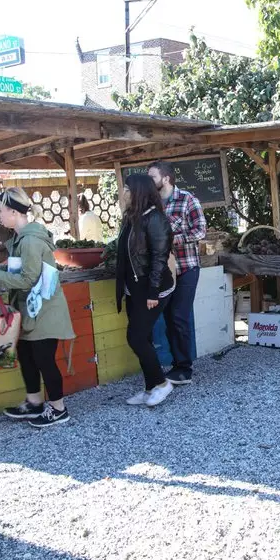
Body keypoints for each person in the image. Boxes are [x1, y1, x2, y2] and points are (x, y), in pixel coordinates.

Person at [0, 187, 76, 428]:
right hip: (32, 311)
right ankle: (34, 403)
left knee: (44, 359)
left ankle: (58, 409)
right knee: (27, 356)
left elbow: (27, 280)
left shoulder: (30, 240)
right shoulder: (22, 238)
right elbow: (17, 269)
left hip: (44, 312)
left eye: (0, 211)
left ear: (14, 212)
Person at [115, 173, 178, 407]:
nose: (124, 193)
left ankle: (162, 384)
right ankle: (150, 386)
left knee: (136, 337)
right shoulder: (132, 218)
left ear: (139, 192)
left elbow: (159, 259)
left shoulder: (155, 219)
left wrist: (152, 292)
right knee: (143, 338)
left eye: (127, 189)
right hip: (135, 289)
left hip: (153, 288)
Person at [147, 161, 206, 385]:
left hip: (186, 267)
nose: (149, 181)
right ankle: (176, 366)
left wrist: (171, 240)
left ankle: (184, 368)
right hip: (164, 272)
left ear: (165, 179)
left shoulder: (188, 200)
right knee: (170, 318)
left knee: (179, 317)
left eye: (152, 177)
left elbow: (200, 231)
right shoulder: (151, 204)